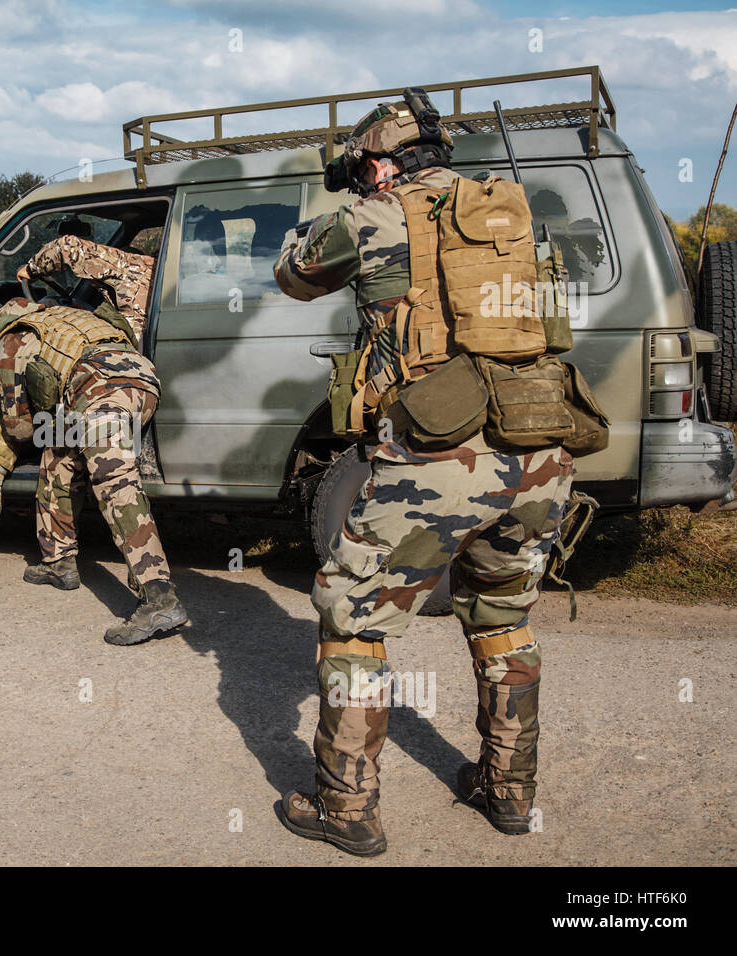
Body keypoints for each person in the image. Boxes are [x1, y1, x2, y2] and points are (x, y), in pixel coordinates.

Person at [271, 91, 576, 855]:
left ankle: (346, 807)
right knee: (504, 620)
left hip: (442, 456)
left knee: (353, 623)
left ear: (380, 163)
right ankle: (509, 793)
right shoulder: (512, 216)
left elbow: (295, 276)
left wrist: (318, 223)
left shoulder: (369, 217)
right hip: (540, 449)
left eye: (363, 169)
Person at [0, 295, 186, 646]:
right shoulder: (68, 317)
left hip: (100, 388)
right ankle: (58, 561)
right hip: (139, 379)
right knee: (59, 455)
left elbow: (18, 427)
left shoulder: (13, 338)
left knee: (115, 481)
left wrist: (26, 409)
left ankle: (160, 599)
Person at [0, 230, 156, 516]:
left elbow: (67, 245)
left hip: (103, 376)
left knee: (20, 359)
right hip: (133, 380)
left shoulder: (134, 266)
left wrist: (31, 269)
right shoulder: (178, 276)